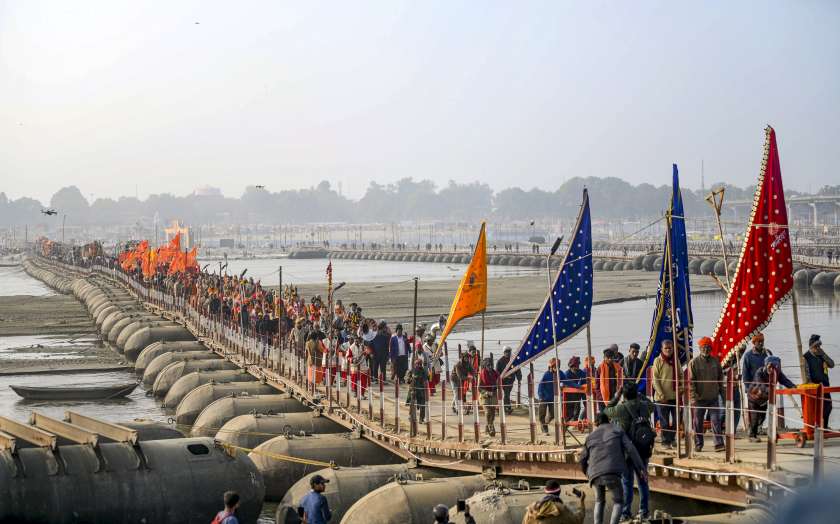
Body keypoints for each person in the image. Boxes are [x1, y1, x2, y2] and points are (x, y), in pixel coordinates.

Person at [580, 412, 647, 524]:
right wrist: (641, 467)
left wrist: (587, 473)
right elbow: (631, 449)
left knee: (599, 501)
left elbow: (582, 459)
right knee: (618, 502)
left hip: (594, 473)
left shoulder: (590, 437)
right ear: (609, 420)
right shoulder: (617, 431)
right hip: (613, 472)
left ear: (596, 423)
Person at [603, 382, 654, 521]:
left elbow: (606, 409)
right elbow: (653, 405)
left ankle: (626, 512)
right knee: (643, 481)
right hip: (643, 449)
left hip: (626, 452)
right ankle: (644, 511)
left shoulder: (621, 409)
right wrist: (640, 395)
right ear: (636, 393)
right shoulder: (644, 406)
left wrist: (616, 395)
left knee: (627, 483)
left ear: (624, 395)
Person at [689, 337, 725, 452]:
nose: (706, 349)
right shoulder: (694, 363)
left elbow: (720, 379)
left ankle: (719, 444)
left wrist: (723, 395)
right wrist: (693, 397)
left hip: (713, 397)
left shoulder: (716, 361)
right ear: (700, 348)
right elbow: (690, 382)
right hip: (699, 399)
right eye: (704, 347)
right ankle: (698, 444)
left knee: (716, 421)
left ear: (711, 348)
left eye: (708, 347)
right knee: (698, 423)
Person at [747, 356, 795, 442]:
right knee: (754, 417)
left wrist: (794, 387)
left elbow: (785, 381)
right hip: (754, 397)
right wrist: (771, 390)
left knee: (762, 417)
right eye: (770, 367)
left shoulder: (777, 373)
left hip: (765, 399)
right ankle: (752, 435)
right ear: (766, 365)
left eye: (774, 367)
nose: (771, 369)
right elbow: (760, 385)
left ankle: (755, 429)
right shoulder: (759, 372)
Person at [804, 334, 834, 428]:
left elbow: (832, 364)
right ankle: (818, 427)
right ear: (811, 347)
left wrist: (824, 354)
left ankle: (824, 427)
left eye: (819, 346)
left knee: (828, 407)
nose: (818, 348)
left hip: (825, 386)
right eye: (816, 346)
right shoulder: (806, 357)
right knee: (816, 409)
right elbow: (807, 375)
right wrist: (812, 385)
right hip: (815, 388)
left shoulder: (821, 354)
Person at [652, 339, 677, 448]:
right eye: (666, 348)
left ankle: (672, 439)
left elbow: (680, 374)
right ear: (662, 349)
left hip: (674, 396)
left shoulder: (675, 360)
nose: (668, 350)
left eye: (670, 348)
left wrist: (680, 388)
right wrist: (661, 395)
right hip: (661, 397)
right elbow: (655, 380)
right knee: (664, 421)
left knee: (677, 420)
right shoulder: (658, 361)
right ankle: (665, 441)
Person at [538, 359, 564, 436]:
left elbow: (567, 381)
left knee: (553, 414)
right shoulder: (546, 374)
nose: (556, 368)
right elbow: (540, 386)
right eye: (555, 367)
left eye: (558, 367)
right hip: (544, 397)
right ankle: (544, 429)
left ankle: (546, 422)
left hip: (553, 398)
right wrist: (540, 395)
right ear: (551, 367)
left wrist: (578, 387)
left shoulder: (561, 374)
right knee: (542, 413)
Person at [496, 346, 522, 414]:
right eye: (506, 352)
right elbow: (497, 372)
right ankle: (507, 407)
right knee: (507, 394)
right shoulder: (500, 361)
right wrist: (497, 380)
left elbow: (517, 370)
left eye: (509, 352)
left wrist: (519, 379)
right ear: (504, 352)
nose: (508, 353)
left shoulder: (513, 361)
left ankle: (506, 407)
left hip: (511, 380)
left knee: (507, 393)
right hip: (503, 381)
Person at [478, 357, 500, 436]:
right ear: (485, 366)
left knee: (493, 413)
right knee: (488, 412)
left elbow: (499, 383)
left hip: (493, 395)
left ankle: (488, 426)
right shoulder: (481, 374)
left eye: (491, 365)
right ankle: (491, 427)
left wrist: (496, 386)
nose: (490, 367)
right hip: (484, 396)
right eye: (488, 365)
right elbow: (479, 388)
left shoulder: (495, 374)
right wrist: (486, 392)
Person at [563, 357, 587, 421]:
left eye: (577, 366)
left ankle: (576, 423)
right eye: (574, 367)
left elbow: (585, 383)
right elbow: (567, 384)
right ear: (571, 367)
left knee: (577, 410)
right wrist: (578, 386)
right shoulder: (566, 374)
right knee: (569, 413)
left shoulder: (581, 373)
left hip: (578, 395)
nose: (576, 369)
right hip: (569, 397)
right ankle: (567, 424)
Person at [406, 357, 429, 423]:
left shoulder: (424, 371)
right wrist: (411, 379)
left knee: (422, 405)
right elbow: (407, 380)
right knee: (412, 404)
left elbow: (426, 381)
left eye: (420, 364)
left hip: (421, 391)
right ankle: (411, 416)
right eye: (417, 364)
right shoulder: (411, 371)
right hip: (413, 390)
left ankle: (421, 419)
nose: (419, 365)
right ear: (415, 364)